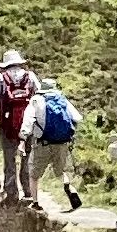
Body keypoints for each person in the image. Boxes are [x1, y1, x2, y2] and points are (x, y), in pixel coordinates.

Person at [0, 48, 42, 206]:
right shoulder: (30, 76)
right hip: (29, 124)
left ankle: (11, 193)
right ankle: (28, 192)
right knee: (28, 158)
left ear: (5, 65)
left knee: (9, 160)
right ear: (19, 63)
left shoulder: (0, 78)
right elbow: (40, 96)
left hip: (7, 125)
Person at [28, 76, 83, 211]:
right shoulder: (62, 99)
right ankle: (70, 188)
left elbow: (28, 120)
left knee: (34, 174)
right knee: (60, 171)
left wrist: (23, 137)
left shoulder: (36, 100)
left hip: (43, 142)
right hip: (62, 142)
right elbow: (77, 117)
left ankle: (35, 203)